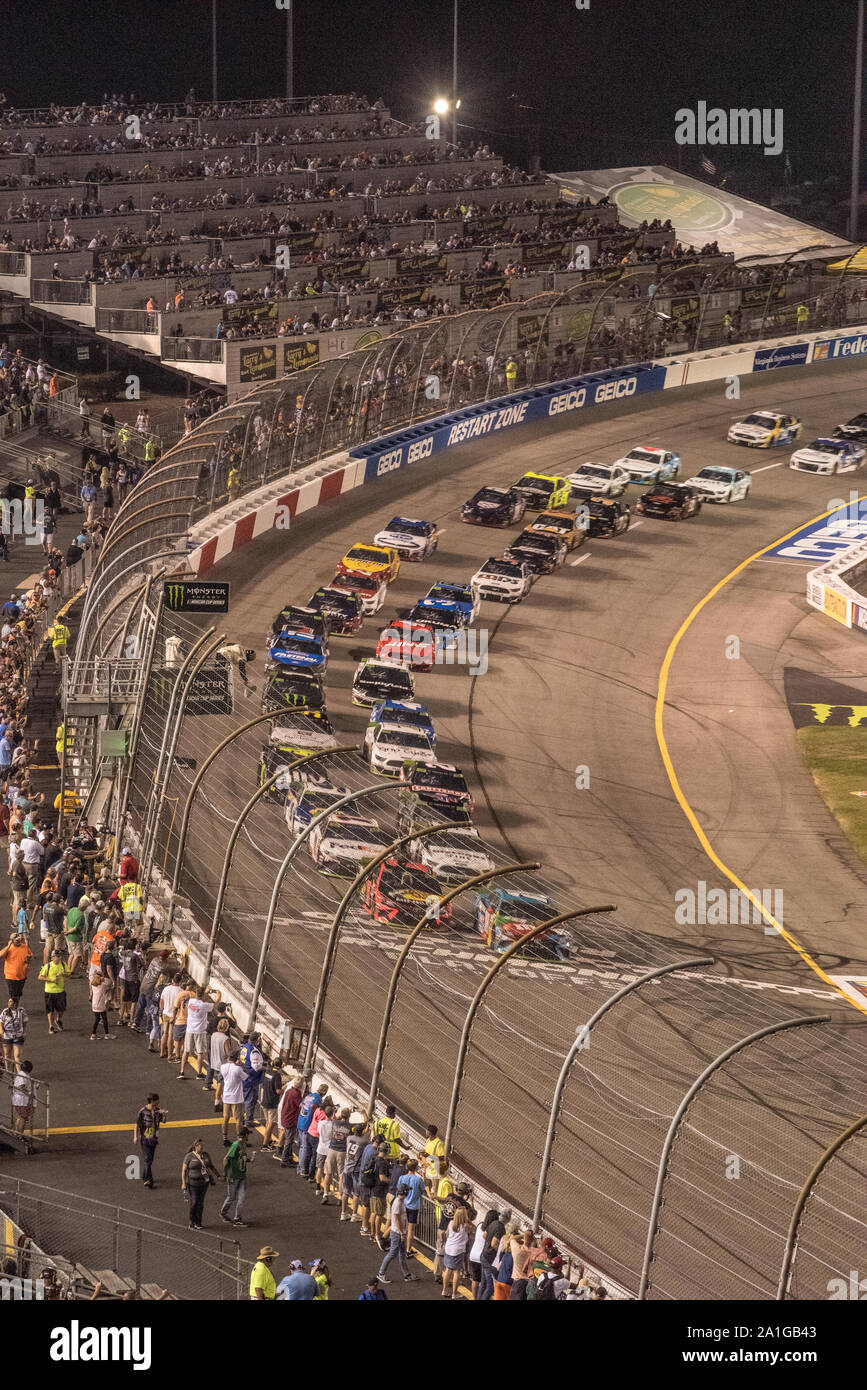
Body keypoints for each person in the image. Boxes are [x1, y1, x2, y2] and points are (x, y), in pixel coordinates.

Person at [177, 983, 217, 1079]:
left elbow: (197, 996)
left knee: (186, 1051)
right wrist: (218, 995)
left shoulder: (191, 1002)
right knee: (200, 1052)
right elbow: (215, 1005)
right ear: (203, 995)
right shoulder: (204, 1005)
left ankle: (182, 1071)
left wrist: (204, 992)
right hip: (200, 1031)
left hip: (190, 1030)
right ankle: (199, 1073)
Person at [376, 1190, 416, 1285]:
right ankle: (381, 1273)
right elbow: (397, 1220)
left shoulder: (399, 1201)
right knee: (392, 1253)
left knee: (401, 1253)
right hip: (397, 1233)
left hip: (398, 1232)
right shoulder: (398, 1203)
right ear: (405, 1193)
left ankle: (407, 1274)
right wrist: (402, 1233)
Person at [181, 1137, 219, 1231]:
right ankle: (191, 1221)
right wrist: (183, 1183)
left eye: (203, 1145)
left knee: (201, 1203)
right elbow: (184, 1170)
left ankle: (198, 1222)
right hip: (192, 1183)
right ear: (195, 1146)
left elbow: (211, 1166)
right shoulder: (189, 1156)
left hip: (204, 1183)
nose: (202, 1147)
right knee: (194, 1202)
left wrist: (218, 1175)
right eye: (200, 1145)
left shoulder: (206, 1155)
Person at [220, 1125, 251, 1227]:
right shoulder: (236, 1145)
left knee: (241, 1198)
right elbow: (226, 1158)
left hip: (242, 1175)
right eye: (248, 1134)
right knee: (231, 1197)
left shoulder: (243, 1144)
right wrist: (225, 1173)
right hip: (233, 1176)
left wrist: (248, 1160)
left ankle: (237, 1218)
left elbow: (241, 1157)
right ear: (245, 1135)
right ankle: (223, 1213)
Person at [135, 1093, 167, 1189]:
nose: (159, 1102)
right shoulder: (143, 1111)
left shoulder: (158, 1111)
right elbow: (137, 1124)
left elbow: (164, 1121)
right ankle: (148, 1180)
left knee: (150, 1159)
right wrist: (135, 1137)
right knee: (148, 1159)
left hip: (154, 1138)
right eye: (157, 1100)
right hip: (145, 1138)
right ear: (152, 1101)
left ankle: (145, 1175)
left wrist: (164, 1114)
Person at [441, 1207, 472, 1299]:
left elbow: (446, 1234)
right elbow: (472, 1228)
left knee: (448, 1270)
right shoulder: (465, 1226)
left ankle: (444, 1290)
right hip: (458, 1251)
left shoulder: (451, 1223)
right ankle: (454, 1294)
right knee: (456, 1272)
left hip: (449, 1249)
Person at [397, 1158, 426, 1254]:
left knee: (400, 1226)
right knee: (410, 1230)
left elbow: (398, 1188)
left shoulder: (402, 1178)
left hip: (403, 1205)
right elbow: (423, 1190)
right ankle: (408, 1249)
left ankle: (398, 1246)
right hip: (413, 1207)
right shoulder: (418, 1179)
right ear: (416, 1168)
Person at [39, 949, 69, 1034]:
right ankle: (51, 1026)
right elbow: (40, 977)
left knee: (62, 1009)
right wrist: (51, 979)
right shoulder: (47, 966)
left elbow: (69, 974)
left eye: (60, 956)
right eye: (57, 956)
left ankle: (58, 1020)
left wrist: (63, 974)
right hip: (49, 991)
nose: (60, 958)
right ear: (52, 957)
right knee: (50, 1010)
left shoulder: (63, 964)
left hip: (60, 991)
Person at [275, 1071, 302, 1167]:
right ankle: (284, 1159)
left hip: (285, 1117)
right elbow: (300, 1105)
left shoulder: (289, 1091)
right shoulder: (296, 1094)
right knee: (289, 1141)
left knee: (288, 1139)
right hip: (291, 1120)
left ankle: (289, 1157)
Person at [220, 1049, 246, 1143]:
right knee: (238, 1119)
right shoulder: (238, 1069)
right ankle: (240, 1138)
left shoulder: (223, 1067)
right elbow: (246, 1077)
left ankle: (225, 1138)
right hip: (236, 1098)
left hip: (226, 1096)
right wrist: (242, 1065)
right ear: (236, 1059)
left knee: (225, 1118)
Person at [1, 933, 32, 1001]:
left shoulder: (25, 947)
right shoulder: (9, 948)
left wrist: (28, 959)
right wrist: (8, 945)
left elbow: (29, 957)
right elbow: (1, 956)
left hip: (22, 976)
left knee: (18, 996)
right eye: (16, 940)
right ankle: (11, 1010)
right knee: (12, 996)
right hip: (11, 976)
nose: (18, 941)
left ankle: (15, 1010)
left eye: (19, 940)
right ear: (12, 941)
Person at [1, 995, 27, 1071]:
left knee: (17, 1055)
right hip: (7, 1036)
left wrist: (24, 1032)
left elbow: (25, 1022)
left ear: (16, 1003)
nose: (9, 1003)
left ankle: (19, 1073)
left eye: (11, 1001)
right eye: (9, 1001)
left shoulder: (21, 1011)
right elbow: (1, 1022)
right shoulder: (5, 1011)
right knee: (7, 1054)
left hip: (18, 1035)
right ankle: (7, 1070)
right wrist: (1, 1031)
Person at [11, 1058, 34, 1134]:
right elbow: (21, 1087)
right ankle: (19, 1134)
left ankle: (17, 1133)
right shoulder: (23, 1076)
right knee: (23, 1118)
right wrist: (29, 1093)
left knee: (21, 1117)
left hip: (19, 1100)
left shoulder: (21, 1074)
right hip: (21, 1101)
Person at [89, 970, 113, 1039]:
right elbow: (110, 986)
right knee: (104, 1019)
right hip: (101, 1005)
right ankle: (107, 1034)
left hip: (94, 1005)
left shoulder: (92, 985)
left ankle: (93, 1034)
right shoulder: (103, 986)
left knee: (97, 1019)